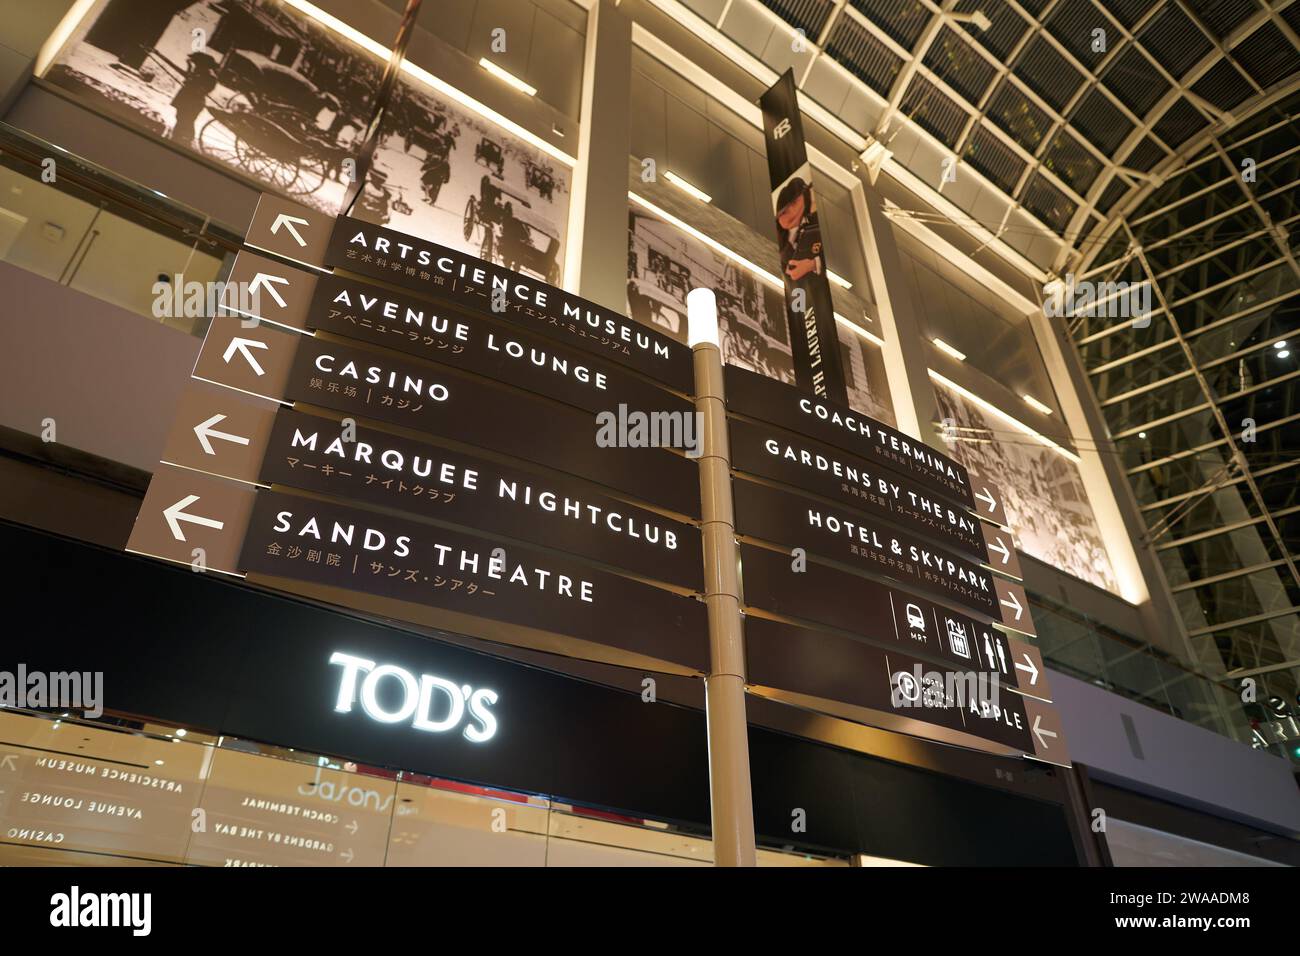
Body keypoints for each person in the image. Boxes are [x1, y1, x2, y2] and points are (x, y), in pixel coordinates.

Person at [774, 177, 823, 284]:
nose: (791, 213)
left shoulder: (816, 225)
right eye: (783, 212)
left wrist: (813, 264)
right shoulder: (779, 245)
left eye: (794, 203)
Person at [170, 51, 219, 147]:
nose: (195, 64)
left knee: (186, 120)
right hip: (186, 99)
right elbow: (188, 76)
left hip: (194, 103)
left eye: (196, 63)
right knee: (181, 118)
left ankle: (185, 140)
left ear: (203, 64)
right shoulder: (198, 71)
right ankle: (178, 139)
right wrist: (189, 67)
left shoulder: (210, 77)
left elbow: (204, 89)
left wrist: (195, 85)